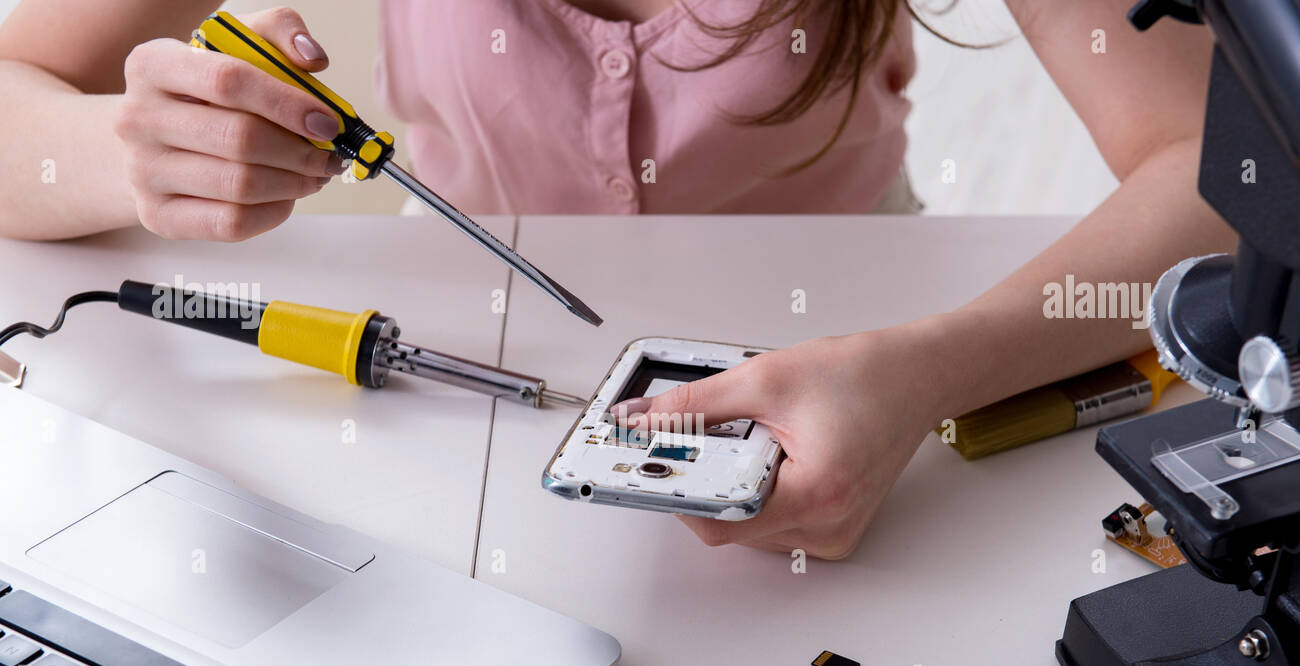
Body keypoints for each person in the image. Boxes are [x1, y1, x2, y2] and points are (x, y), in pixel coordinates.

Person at [0, 1, 1234, 558]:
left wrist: (923, 369)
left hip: (870, 350)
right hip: (453, 439)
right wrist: (131, 152)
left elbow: (1216, 168)